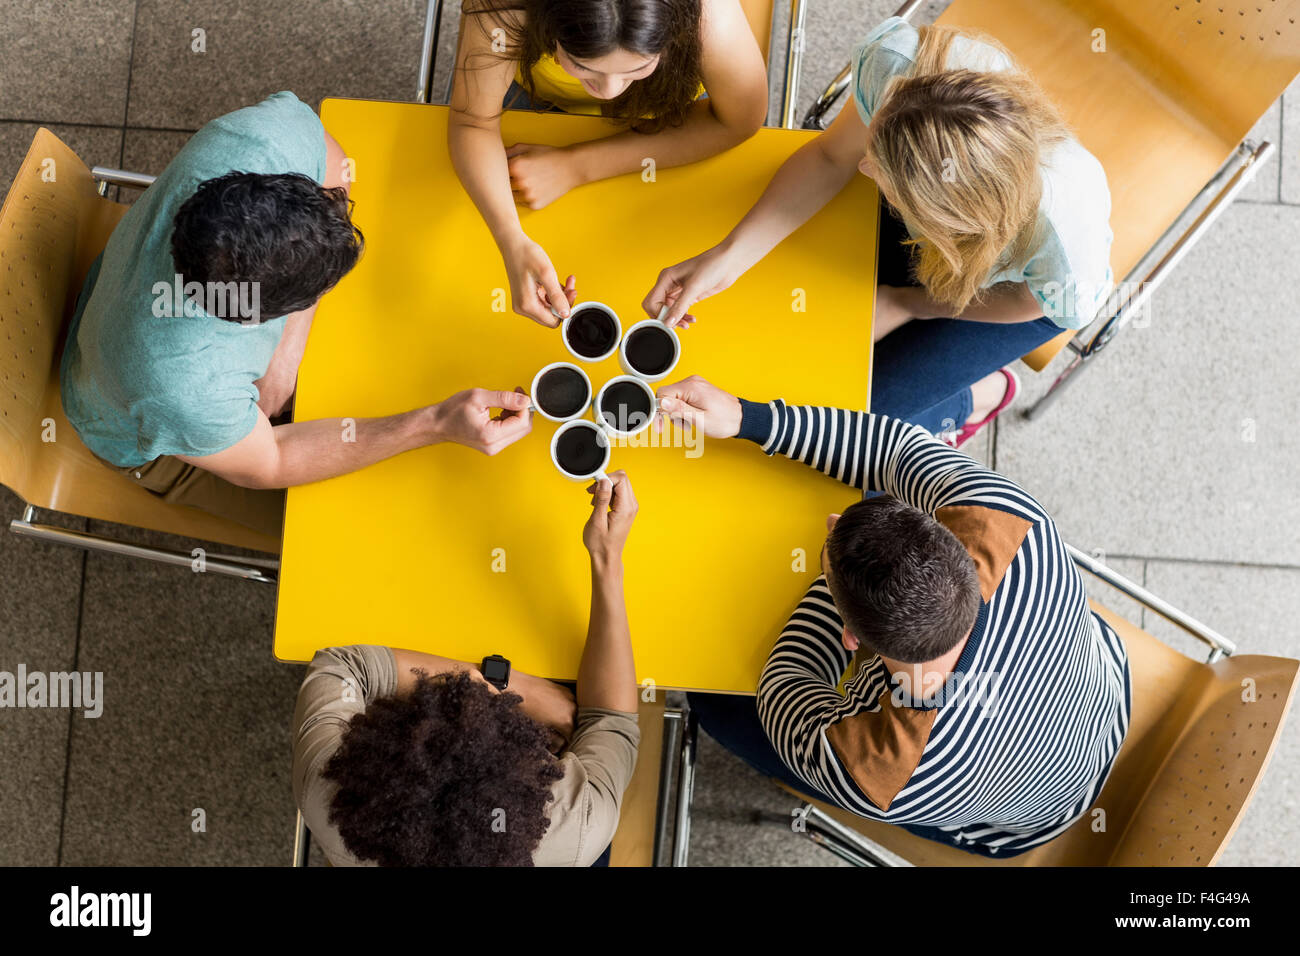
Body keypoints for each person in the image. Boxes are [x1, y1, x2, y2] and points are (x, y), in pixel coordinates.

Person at [654, 376, 1131, 857]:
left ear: (852, 638)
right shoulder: (1006, 519)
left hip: (1022, 824)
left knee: (714, 703)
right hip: (1106, 697)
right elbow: (896, 448)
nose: (832, 520)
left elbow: (786, 678)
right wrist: (745, 417)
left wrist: (836, 572)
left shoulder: (874, 770)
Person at [61, 93, 533, 537]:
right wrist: (435, 422)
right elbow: (273, 460)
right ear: (250, 318)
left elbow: (332, 164)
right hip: (142, 429)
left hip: (131, 310)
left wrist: (286, 353)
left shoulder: (261, 140)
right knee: (346, 524)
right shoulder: (178, 387)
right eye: (314, 295)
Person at [644, 17, 1114, 444]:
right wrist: (727, 257)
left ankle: (977, 397)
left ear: (947, 217)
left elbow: (1030, 304)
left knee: (864, 421)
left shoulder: (1068, 248)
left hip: (1014, 294)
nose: (864, 167)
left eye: (881, 170)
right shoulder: (901, 69)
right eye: (877, 147)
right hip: (943, 218)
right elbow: (832, 157)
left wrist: (906, 303)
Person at [292, 471, 642, 866]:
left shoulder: (336, 789)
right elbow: (611, 720)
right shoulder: (574, 825)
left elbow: (340, 667)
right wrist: (606, 556)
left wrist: (503, 686)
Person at [449, 0, 768, 326]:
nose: (608, 92)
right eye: (582, 64)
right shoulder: (506, 5)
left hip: (670, 109)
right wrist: (511, 240)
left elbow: (740, 119)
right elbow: (473, 122)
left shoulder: (710, 12)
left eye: (636, 68)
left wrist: (577, 166)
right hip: (538, 100)